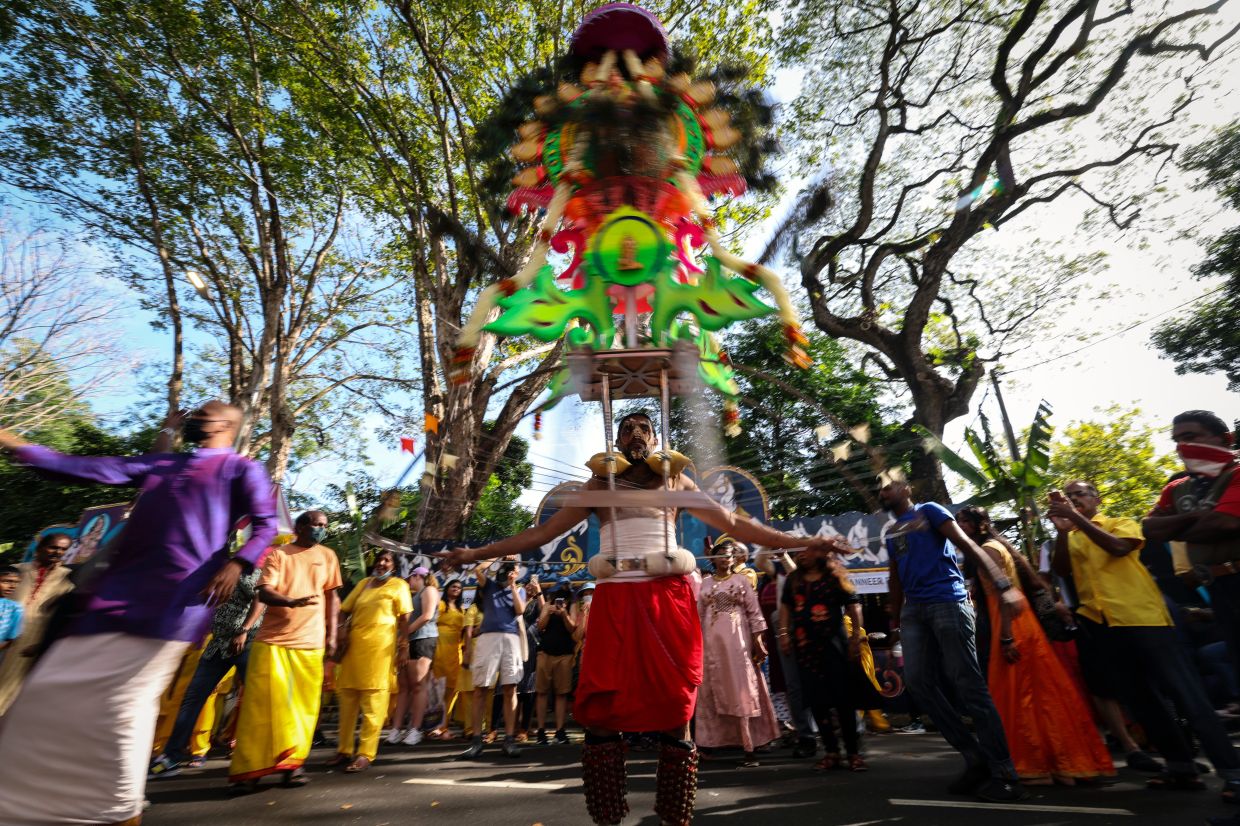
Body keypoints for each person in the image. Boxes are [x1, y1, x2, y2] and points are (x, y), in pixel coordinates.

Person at [448, 411, 845, 826]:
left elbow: (733, 524)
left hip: (667, 600)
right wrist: (476, 553)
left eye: (644, 429)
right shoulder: (597, 486)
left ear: (655, 440)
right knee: (601, 708)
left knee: (675, 709)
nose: (636, 434)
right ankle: (607, 816)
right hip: (615, 600)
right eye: (627, 429)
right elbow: (539, 535)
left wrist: (802, 542)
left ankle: (675, 815)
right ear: (617, 441)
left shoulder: (676, 482)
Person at [0, 403, 277, 824]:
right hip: (113, 594)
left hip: (176, 601)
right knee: (50, 692)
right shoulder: (165, 463)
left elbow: (266, 524)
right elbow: (87, 468)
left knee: (124, 708)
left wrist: (239, 563)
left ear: (225, 424)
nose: (194, 416)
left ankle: (119, 811)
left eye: (203, 412)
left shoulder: (241, 468)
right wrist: (14, 443)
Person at [1050, 479, 1240, 800]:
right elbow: (1061, 569)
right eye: (1068, 496)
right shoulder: (1072, 536)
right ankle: (1180, 767)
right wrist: (1062, 532)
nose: (1073, 500)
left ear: (1097, 498)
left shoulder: (1120, 522)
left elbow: (1119, 547)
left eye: (1079, 494)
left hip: (1143, 617)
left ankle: (1232, 772)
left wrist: (1076, 518)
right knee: (1140, 700)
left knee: (1185, 693)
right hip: (1102, 624)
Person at [879, 480, 1027, 803]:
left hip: (948, 601)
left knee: (969, 685)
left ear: (907, 488)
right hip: (913, 611)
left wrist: (1003, 584)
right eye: (879, 489)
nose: (882, 492)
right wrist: (894, 626)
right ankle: (974, 759)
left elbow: (968, 545)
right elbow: (895, 577)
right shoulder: (891, 531)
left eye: (888, 486)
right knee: (918, 683)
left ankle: (1005, 774)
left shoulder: (929, 511)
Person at [956, 506, 1114, 785]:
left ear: (982, 525)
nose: (961, 526)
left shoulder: (989, 550)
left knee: (1021, 694)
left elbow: (1005, 595)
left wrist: (1006, 636)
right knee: (1040, 694)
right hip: (1017, 623)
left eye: (966, 521)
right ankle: (1059, 763)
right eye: (958, 522)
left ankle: (1037, 764)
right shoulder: (994, 547)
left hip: (1011, 625)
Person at [228, 510, 342, 792]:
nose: (321, 529)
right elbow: (264, 592)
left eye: (324, 526)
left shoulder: (328, 556)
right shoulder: (278, 554)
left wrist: (333, 635)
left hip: (311, 643)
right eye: (316, 524)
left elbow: (332, 598)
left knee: (302, 709)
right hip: (273, 642)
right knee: (260, 707)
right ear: (300, 527)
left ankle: (293, 766)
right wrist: (290, 602)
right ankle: (250, 770)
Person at [1144, 411, 1240, 681]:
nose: (1182, 447)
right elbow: (1150, 529)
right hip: (1217, 585)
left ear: (1226, 439)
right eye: (1177, 441)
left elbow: (1224, 523)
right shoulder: (1176, 488)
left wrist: (1176, 527)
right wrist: (1198, 517)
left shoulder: (1236, 474)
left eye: (1190, 437)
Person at [149, 565, 265, 778]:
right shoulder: (208, 570)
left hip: (244, 643)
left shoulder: (244, 569)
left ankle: (262, 757)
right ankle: (171, 757)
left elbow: (261, 597)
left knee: (256, 700)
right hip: (217, 645)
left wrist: (245, 629)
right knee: (192, 698)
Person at [778, 544, 882, 771]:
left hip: (836, 648)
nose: (801, 554)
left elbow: (854, 606)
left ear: (820, 553)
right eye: (798, 551)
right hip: (806, 650)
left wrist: (856, 637)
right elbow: (785, 607)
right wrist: (784, 634)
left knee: (844, 701)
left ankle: (853, 753)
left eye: (807, 550)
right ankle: (831, 752)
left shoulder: (835, 576)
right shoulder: (794, 579)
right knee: (817, 701)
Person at [696, 540, 780, 767]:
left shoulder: (742, 581)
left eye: (730, 555)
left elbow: (755, 614)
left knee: (741, 690)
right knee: (710, 691)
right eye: (722, 554)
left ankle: (749, 746)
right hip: (710, 647)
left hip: (738, 645)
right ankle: (709, 743)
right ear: (713, 558)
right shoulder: (704, 584)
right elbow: (698, 615)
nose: (727, 558)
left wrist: (758, 642)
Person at [331, 550, 412, 773]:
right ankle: (344, 750)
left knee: (373, 705)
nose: (381, 563)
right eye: (379, 560)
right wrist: (341, 629)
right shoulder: (364, 583)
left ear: (394, 567)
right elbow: (343, 610)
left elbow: (405, 619)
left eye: (387, 561)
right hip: (353, 649)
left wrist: (404, 647)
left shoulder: (399, 586)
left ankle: (365, 754)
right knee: (347, 700)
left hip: (380, 652)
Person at [456, 555, 528, 759]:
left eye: (512, 568)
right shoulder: (489, 586)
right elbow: (478, 570)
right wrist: (497, 556)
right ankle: (476, 741)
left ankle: (509, 740)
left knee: (510, 688)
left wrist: (512, 585)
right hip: (488, 639)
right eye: (507, 568)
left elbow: (520, 610)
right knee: (480, 688)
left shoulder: (519, 589)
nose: (508, 571)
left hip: (511, 639)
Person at [0, 531, 73, 715]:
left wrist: (42, 644)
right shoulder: (16, 571)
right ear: (40, 548)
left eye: (63, 549)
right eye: (53, 547)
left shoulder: (68, 580)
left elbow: (62, 617)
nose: (57, 552)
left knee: (10, 688)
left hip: (31, 643)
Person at [387, 565, 438, 746]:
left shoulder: (429, 590)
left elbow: (427, 615)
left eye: (411, 578)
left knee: (418, 685)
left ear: (418, 576)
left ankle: (416, 730)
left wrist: (404, 633)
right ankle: (396, 729)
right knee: (404, 686)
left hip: (423, 640)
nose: (409, 581)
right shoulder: (411, 595)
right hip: (407, 641)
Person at [534, 577, 579, 745]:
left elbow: (572, 627)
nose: (562, 595)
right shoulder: (548, 604)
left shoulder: (572, 604)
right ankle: (541, 731)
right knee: (542, 692)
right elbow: (540, 626)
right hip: (545, 653)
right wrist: (548, 611)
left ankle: (560, 731)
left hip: (564, 654)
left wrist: (564, 614)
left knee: (562, 693)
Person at [429, 578, 467, 739]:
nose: (456, 589)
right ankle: (432, 727)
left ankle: (443, 726)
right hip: (439, 648)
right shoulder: (440, 605)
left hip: (455, 652)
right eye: (453, 586)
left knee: (452, 690)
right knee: (437, 690)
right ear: (447, 588)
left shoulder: (462, 610)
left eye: (459, 587)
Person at [0, 566, 23, 666]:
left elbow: (11, 638)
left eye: (16, 582)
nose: (12, 586)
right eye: (7, 581)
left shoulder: (15, 608)